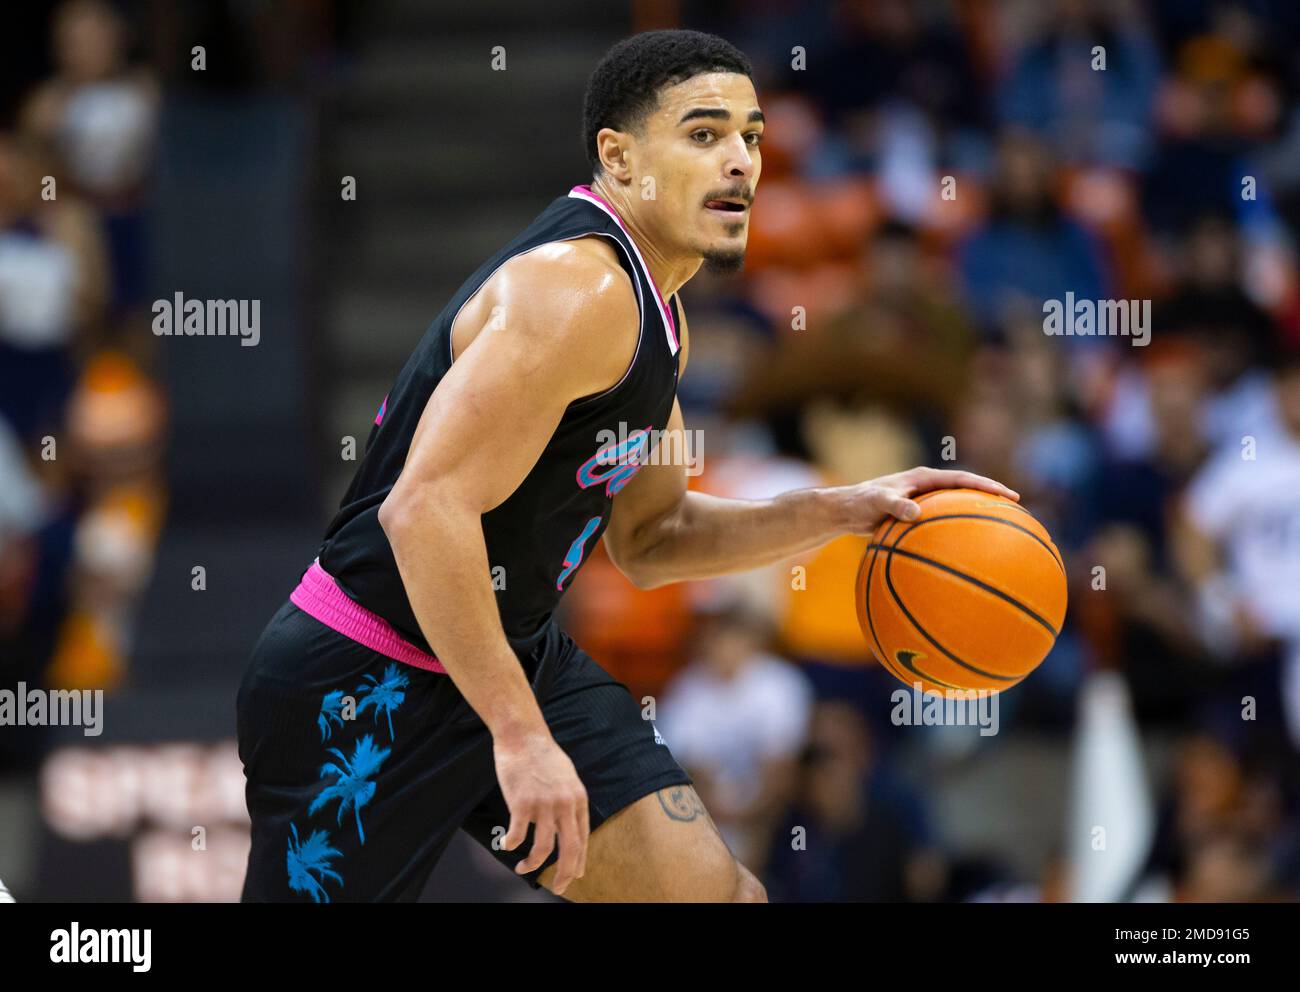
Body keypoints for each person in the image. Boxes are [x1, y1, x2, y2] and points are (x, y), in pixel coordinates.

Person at [236, 28, 1018, 903]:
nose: (741, 163)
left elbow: (654, 535)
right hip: (363, 677)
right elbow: (421, 511)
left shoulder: (659, 314)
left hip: (506, 653)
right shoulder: (582, 291)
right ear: (619, 155)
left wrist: (845, 509)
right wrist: (521, 736)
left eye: (752, 137)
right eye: (703, 134)